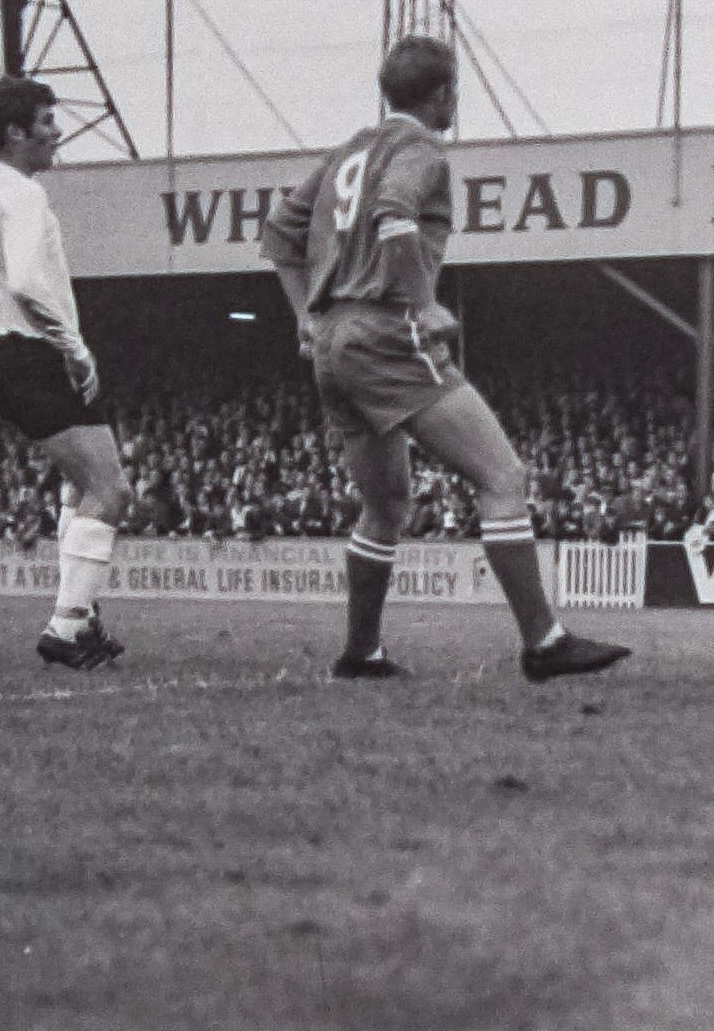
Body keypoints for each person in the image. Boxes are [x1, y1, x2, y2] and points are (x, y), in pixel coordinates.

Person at [262, 35, 632, 684]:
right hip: (385, 331)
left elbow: (277, 231)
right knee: (502, 476)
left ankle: (362, 652)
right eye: (453, 89)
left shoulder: (349, 150)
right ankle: (543, 641)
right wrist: (423, 303)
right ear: (441, 93)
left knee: (385, 505)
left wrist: (303, 312)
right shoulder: (420, 149)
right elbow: (394, 215)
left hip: (331, 343)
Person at [0, 75, 131, 671]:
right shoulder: (24, 195)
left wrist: (6, 324)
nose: (58, 133)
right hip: (31, 352)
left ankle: (81, 622)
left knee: (82, 486)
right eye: (48, 122)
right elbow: (30, 282)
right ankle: (65, 626)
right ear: (15, 132)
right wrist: (74, 346)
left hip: (0, 348)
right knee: (110, 489)